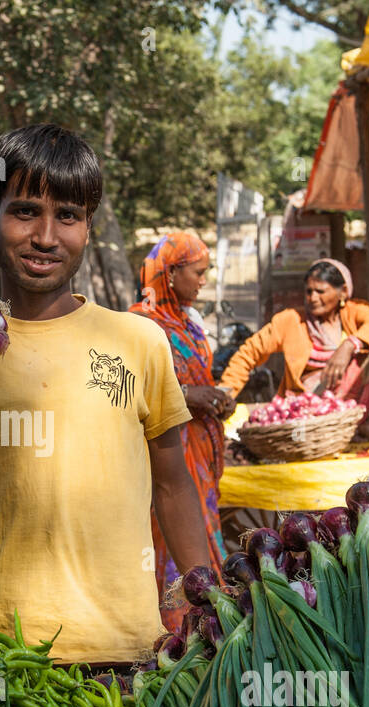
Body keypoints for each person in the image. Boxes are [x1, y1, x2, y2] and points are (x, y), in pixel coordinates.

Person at [0, 124, 211, 665]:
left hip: (124, 652)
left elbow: (175, 485)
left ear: (87, 227)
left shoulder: (137, 344)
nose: (45, 236)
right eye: (24, 211)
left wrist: (210, 603)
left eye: (67, 216)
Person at [214, 259, 369, 441]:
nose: (313, 298)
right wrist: (225, 394)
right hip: (321, 406)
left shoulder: (354, 311)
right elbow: (248, 354)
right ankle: (355, 423)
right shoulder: (290, 321)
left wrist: (349, 346)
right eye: (308, 291)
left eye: (321, 291)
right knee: (368, 359)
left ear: (342, 293)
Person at [128, 232, 227, 634]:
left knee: (204, 533)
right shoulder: (139, 323)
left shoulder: (192, 322)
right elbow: (132, 388)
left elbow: (200, 375)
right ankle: (173, 631)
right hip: (167, 453)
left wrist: (215, 396)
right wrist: (188, 394)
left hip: (199, 451)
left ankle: (204, 622)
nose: (204, 281)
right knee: (168, 540)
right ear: (170, 273)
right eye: (198, 272)